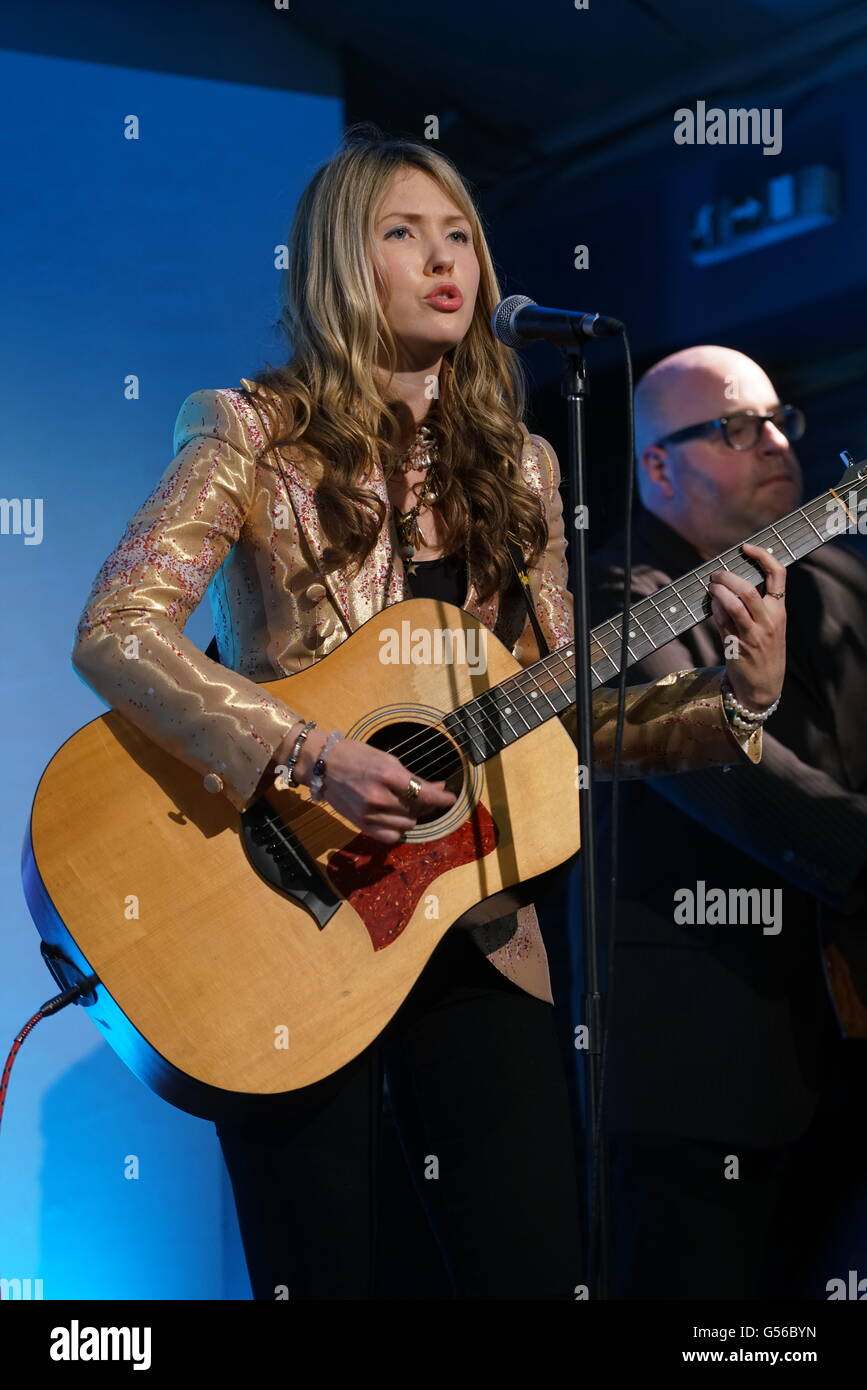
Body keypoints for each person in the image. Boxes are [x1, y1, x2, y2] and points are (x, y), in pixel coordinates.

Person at [71, 132, 786, 1300]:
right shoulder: (249, 433)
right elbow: (118, 629)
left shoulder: (525, 469)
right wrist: (304, 752)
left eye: (460, 234)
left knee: (540, 1273)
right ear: (339, 265)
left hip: (475, 924)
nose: (445, 260)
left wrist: (736, 701)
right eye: (404, 233)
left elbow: (571, 719)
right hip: (289, 916)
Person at [587, 344, 867, 1300]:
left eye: (780, 419)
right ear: (657, 465)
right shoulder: (614, 600)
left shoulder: (843, 585)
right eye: (736, 428)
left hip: (843, 1044)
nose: (776, 442)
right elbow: (714, 763)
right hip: (704, 1071)